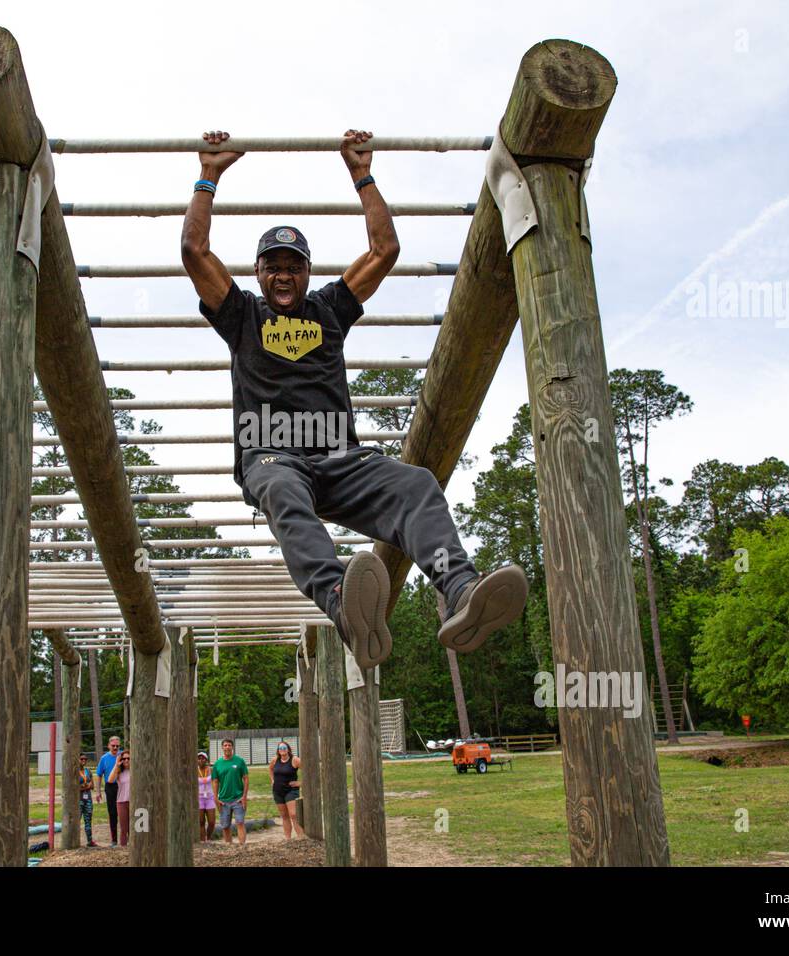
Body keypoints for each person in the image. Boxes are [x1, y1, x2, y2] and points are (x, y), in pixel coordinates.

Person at [181, 129, 529, 671]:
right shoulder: (241, 314)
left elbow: (384, 251)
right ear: (257, 273)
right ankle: (341, 602)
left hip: (341, 461)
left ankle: (460, 590)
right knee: (280, 488)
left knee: (416, 484)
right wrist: (209, 176)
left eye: (293, 265)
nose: (282, 274)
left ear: (307, 272)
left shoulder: (328, 310)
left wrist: (362, 174)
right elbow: (193, 251)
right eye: (272, 265)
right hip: (273, 457)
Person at [211, 739, 248, 846]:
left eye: (229, 745)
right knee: (225, 825)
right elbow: (215, 781)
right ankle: (229, 846)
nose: (227, 747)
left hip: (238, 798)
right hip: (223, 800)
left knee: (240, 822)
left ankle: (242, 846)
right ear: (222, 747)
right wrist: (216, 798)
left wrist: (244, 796)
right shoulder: (218, 764)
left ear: (232, 747)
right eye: (225, 745)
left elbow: (246, 778)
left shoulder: (239, 761)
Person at [269, 741, 304, 840]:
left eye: (284, 748)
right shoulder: (275, 760)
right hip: (278, 791)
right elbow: (270, 769)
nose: (282, 750)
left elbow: (308, 771)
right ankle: (288, 839)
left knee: (294, 814)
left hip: (291, 790)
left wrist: (300, 783)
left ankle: (301, 837)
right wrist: (272, 780)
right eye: (280, 748)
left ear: (288, 749)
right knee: (284, 816)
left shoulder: (295, 760)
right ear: (278, 751)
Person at [94, 736, 122, 845]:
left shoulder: (123, 756)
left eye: (117, 746)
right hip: (110, 787)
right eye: (113, 746)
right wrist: (98, 791)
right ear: (109, 746)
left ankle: (128, 838)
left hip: (122, 785)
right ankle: (114, 840)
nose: (115, 747)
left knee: (125, 810)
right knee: (113, 813)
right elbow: (99, 775)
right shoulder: (104, 758)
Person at [107, 749, 131, 848]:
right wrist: (117, 765)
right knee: (124, 828)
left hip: (137, 803)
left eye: (128, 758)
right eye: (124, 758)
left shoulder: (138, 770)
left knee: (139, 828)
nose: (126, 760)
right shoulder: (120, 772)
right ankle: (124, 848)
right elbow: (110, 780)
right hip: (122, 801)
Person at [76, 753, 96, 847]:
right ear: (77, 760)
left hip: (88, 799)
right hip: (78, 800)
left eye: (85, 759)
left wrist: (85, 786)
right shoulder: (75, 772)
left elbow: (92, 786)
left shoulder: (88, 771)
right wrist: (85, 787)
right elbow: (74, 788)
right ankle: (75, 841)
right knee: (77, 820)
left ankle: (90, 841)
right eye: (82, 759)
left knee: (88, 820)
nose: (84, 760)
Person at [197, 751, 217, 842]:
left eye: (203, 758)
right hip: (199, 798)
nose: (201, 760)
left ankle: (208, 838)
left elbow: (216, 780)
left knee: (212, 822)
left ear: (206, 760)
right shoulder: (194, 770)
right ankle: (202, 841)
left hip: (209, 798)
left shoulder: (211, 769)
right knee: (201, 822)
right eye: (199, 758)